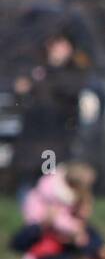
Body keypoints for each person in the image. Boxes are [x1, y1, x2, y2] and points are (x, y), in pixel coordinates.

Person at [12, 28, 88, 198]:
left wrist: (48, 75)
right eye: (53, 45)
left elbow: (69, 90)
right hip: (32, 142)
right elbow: (19, 92)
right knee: (30, 190)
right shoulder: (35, 70)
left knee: (54, 188)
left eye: (61, 45)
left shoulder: (74, 72)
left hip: (58, 142)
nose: (56, 49)